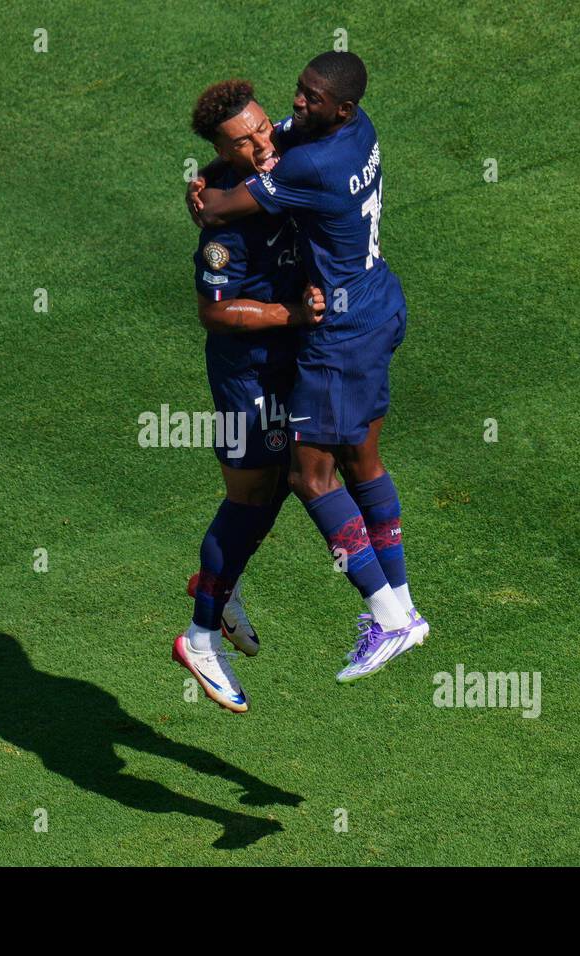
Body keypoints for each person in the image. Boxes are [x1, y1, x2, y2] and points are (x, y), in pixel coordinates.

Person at [190, 52, 428, 683]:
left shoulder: (305, 165)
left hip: (339, 337)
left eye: (303, 103)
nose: (286, 119)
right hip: (362, 312)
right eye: (293, 94)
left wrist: (206, 193)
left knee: (308, 479)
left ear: (339, 109)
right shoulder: (355, 131)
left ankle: (389, 616)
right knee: (340, 469)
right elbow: (214, 293)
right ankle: (399, 607)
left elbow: (218, 208)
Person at [172, 79, 323, 713]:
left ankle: (219, 584)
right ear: (220, 151)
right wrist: (289, 314)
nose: (263, 142)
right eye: (245, 139)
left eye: (263, 126)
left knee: (293, 477)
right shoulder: (221, 227)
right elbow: (215, 312)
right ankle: (200, 637)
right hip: (246, 376)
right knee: (248, 495)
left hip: (289, 361)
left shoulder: (277, 149)